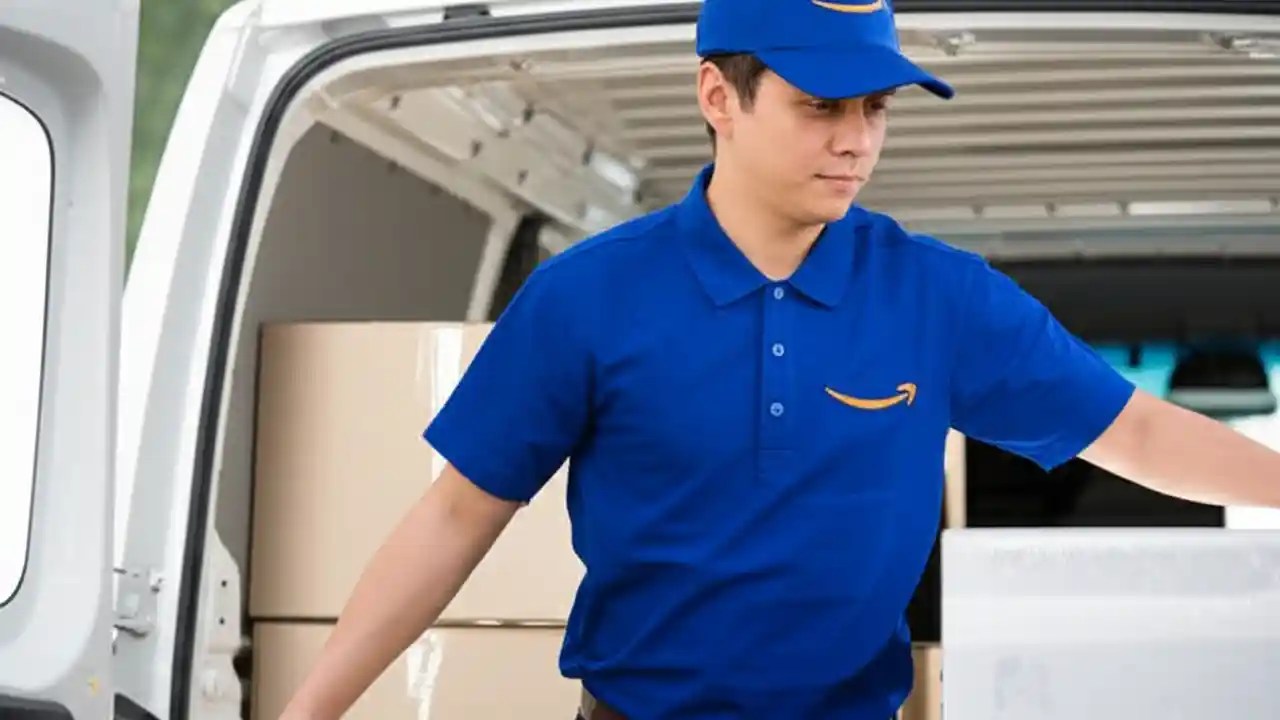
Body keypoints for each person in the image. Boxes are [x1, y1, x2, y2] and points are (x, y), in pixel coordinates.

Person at [278, 0, 1280, 718]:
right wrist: (311, 710)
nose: (854, 141)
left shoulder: (934, 294)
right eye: (818, 106)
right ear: (718, 94)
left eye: (874, 109)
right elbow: (456, 512)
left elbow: (1136, 430)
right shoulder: (589, 296)